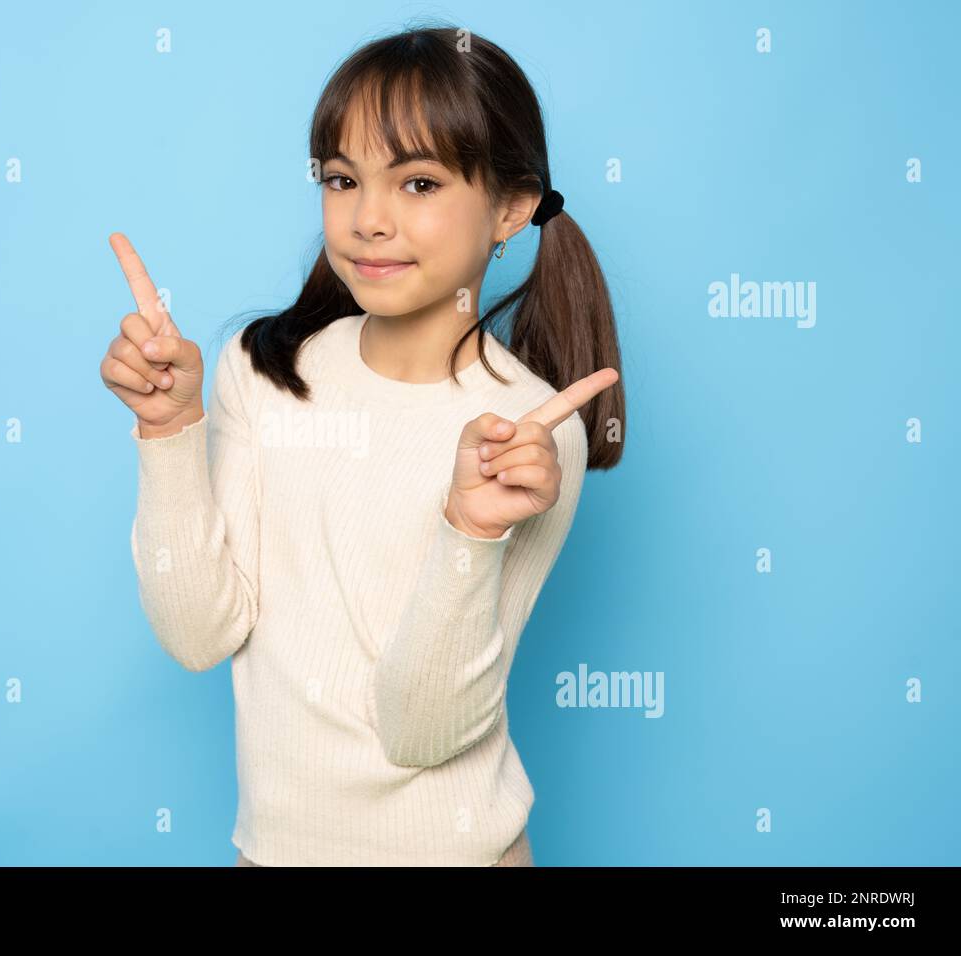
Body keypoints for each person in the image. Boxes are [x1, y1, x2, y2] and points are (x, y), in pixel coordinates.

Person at [102, 24, 625, 866]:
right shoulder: (262, 371)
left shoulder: (530, 434)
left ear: (512, 207)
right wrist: (167, 433)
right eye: (343, 179)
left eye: (418, 182)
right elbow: (199, 634)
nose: (368, 219)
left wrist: (471, 527)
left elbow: (424, 731)